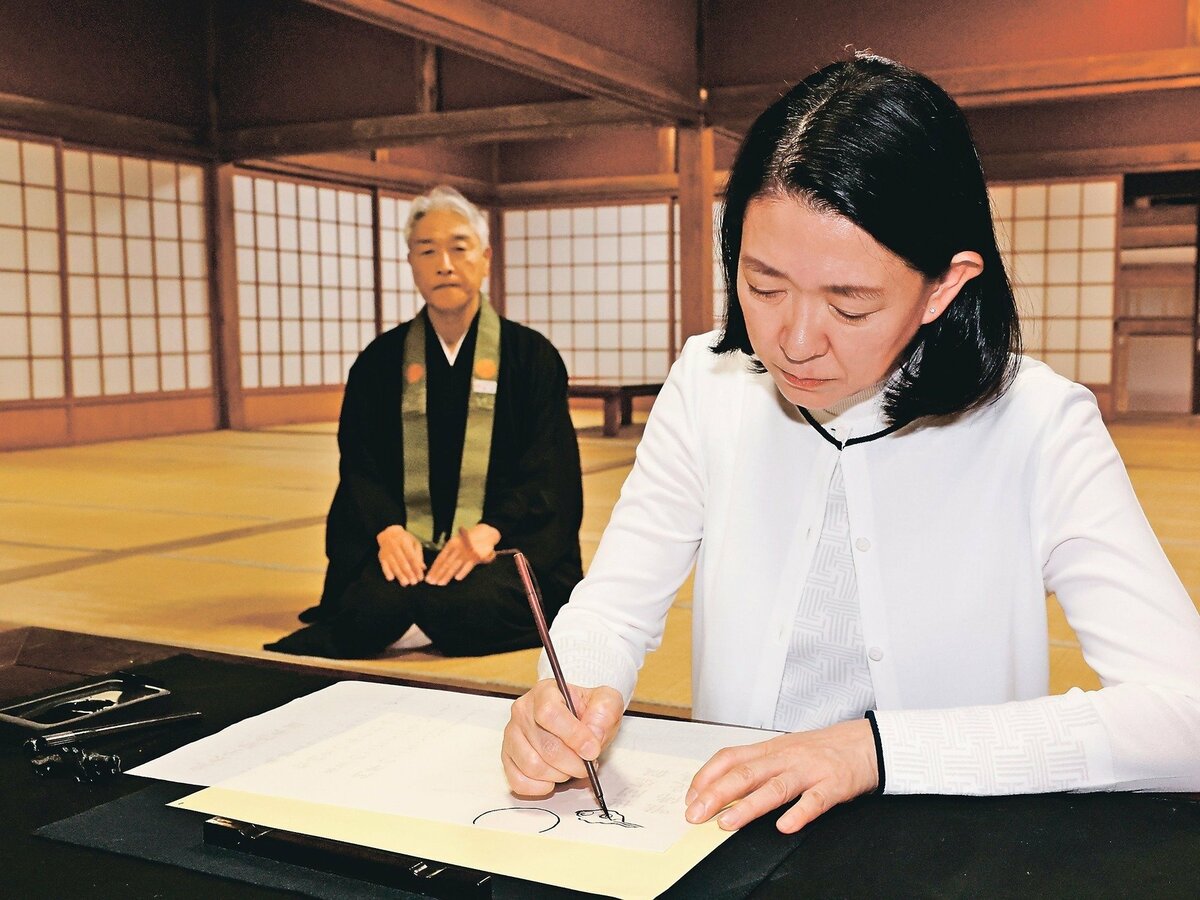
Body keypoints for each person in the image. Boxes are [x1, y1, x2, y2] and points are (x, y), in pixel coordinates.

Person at [501, 55, 1200, 834]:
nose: (795, 341)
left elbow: (1185, 716)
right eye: (764, 287)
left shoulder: (1038, 424)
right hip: (728, 832)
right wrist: (572, 695)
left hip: (951, 845)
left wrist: (877, 750)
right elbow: (617, 606)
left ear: (945, 285)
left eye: (851, 304)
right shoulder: (709, 386)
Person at [266, 186, 583, 659]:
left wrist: (491, 530)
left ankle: (421, 615)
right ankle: (413, 610)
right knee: (376, 599)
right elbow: (360, 464)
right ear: (410, 262)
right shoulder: (379, 362)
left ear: (485, 256)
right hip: (405, 549)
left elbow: (549, 467)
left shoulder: (532, 357)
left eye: (459, 247)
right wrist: (387, 529)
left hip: (496, 548)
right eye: (427, 250)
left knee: (475, 600)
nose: (444, 264)